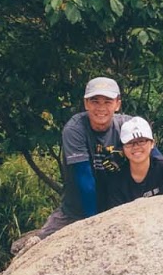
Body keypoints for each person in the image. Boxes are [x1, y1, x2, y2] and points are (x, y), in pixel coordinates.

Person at [33, 77, 132, 240]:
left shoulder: (129, 126)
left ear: (117, 104)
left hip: (119, 206)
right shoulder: (75, 129)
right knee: (37, 246)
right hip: (77, 210)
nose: (101, 108)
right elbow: (85, 181)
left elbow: (156, 162)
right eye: (95, 101)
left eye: (107, 101)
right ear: (86, 103)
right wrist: (93, 224)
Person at [100, 117, 163, 208]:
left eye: (141, 141)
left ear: (152, 143)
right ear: (123, 148)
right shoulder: (116, 178)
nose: (136, 147)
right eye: (129, 143)